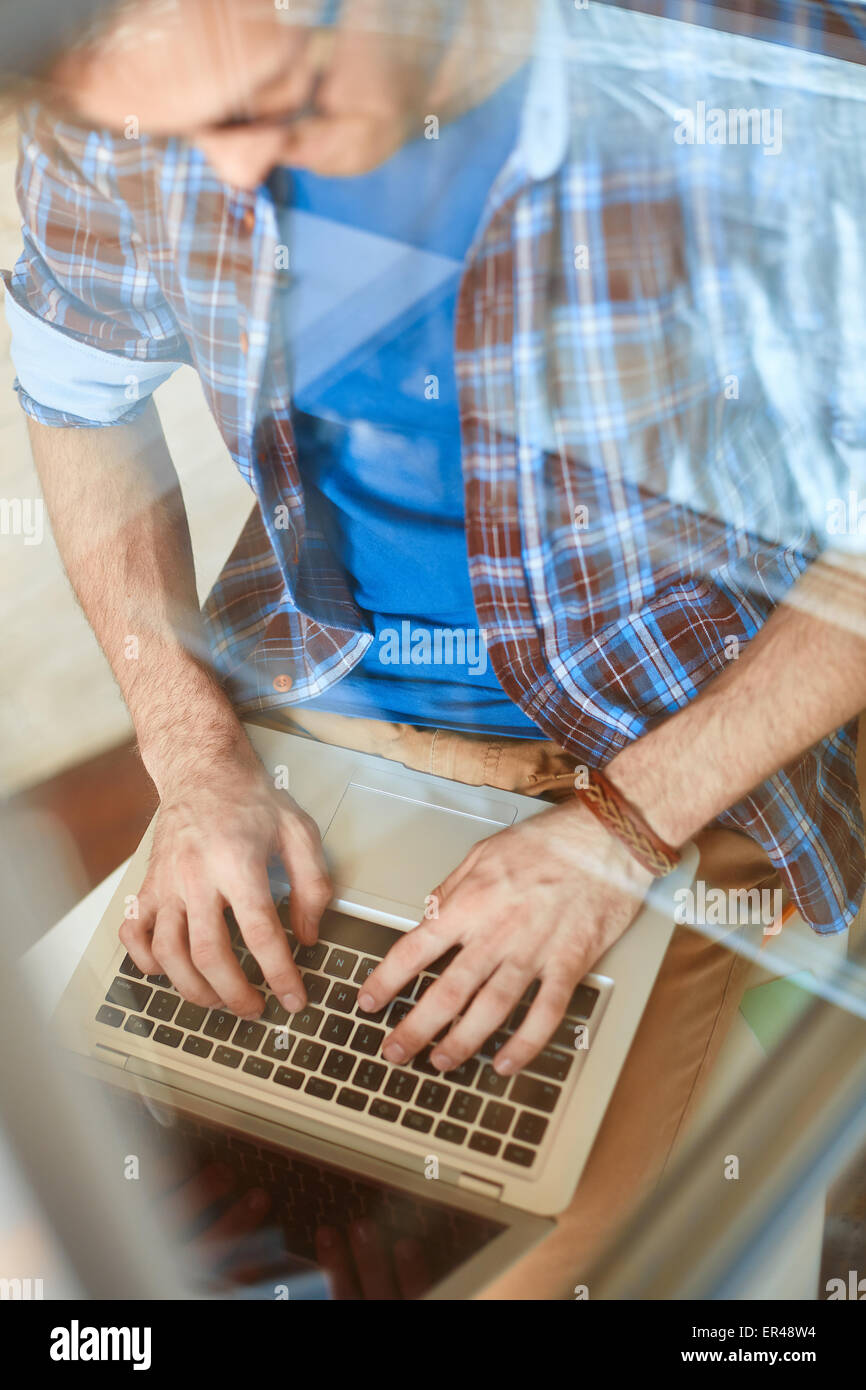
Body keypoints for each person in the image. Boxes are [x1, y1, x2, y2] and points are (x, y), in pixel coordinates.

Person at [3, 0, 866, 1291]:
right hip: (302, 718)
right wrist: (193, 759)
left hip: (675, 749)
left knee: (518, 1272)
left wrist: (614, 836)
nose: (232, 171)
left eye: (270, 105)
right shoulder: (138, 87)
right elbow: (77, 401)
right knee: (49, 1235)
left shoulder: (770, 93)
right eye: (173, 133)